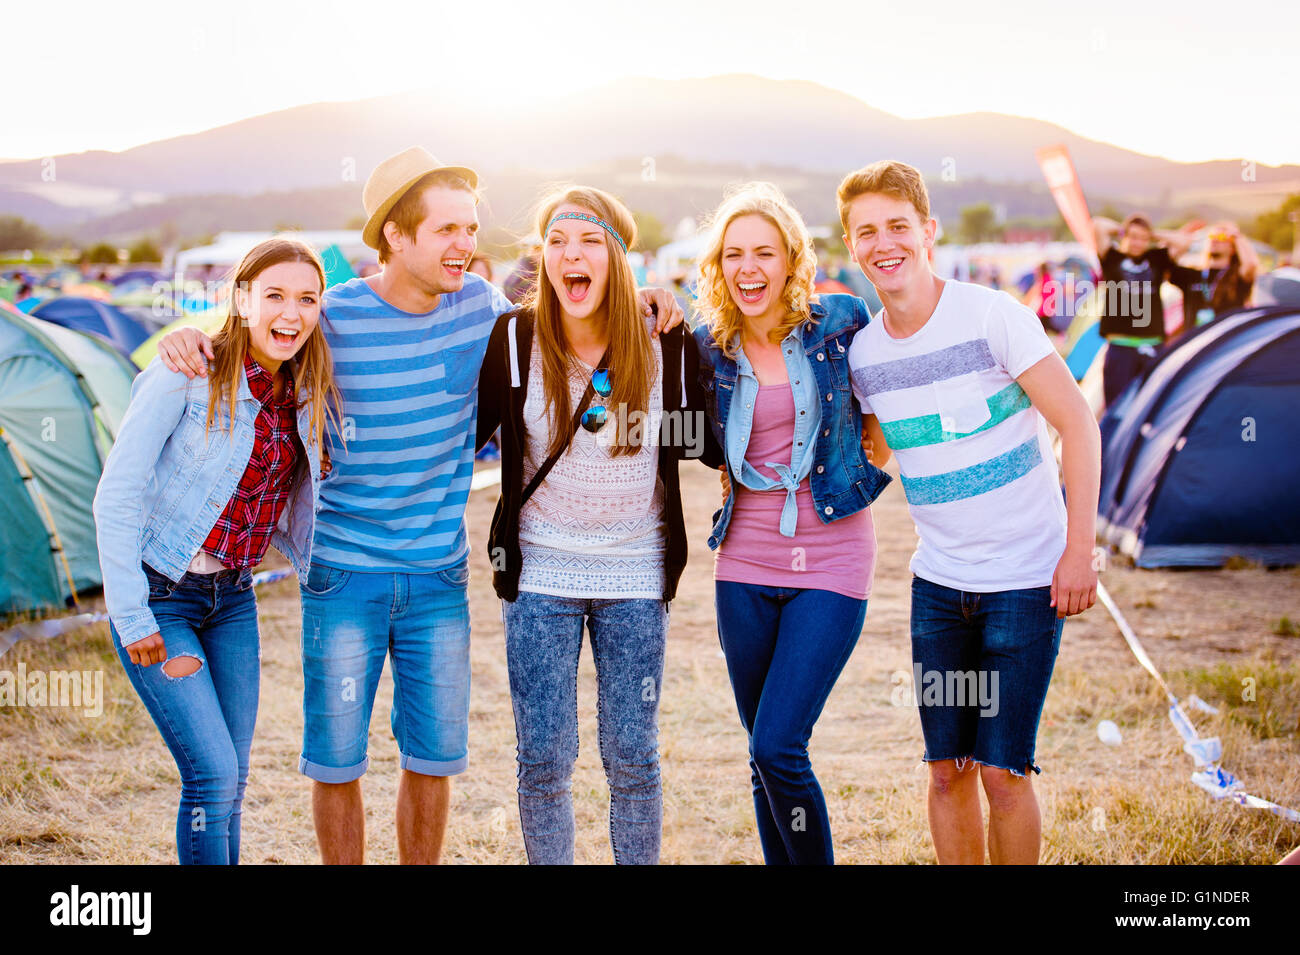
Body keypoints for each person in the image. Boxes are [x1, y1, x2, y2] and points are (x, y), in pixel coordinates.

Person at [156, 146, 683, 865]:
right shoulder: (330, 317)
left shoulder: (485, 312)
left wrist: (653, 297)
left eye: (470, 228)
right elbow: (254, 344)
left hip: (439, 577)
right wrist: (192, 338)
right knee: (337, 761)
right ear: (395, 237)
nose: (466, 245)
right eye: (447, 231)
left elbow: (566, 321)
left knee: (433, 758)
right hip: (343, 574)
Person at [840, 160, 1100, 865]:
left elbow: (1078, 423)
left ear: (928, 230)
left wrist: (1081, 550)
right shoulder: (863, 355)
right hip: (939, 587)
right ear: (852, 246)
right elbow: (879, 453)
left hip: (1025, 579)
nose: (883, 242)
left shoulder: (992, 316)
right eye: (867, 231)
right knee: (947, 768)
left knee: (1003, 772)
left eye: (898, 225)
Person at [476, 186, 716, 864]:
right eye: (555, 242)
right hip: (539, 574)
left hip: (636, 576)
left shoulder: (664, 345)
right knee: (546, 760)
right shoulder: (516, 341)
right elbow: (462, 435)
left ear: (616, 257)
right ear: (542, 258)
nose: (569, 255)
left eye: (587, 241)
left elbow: (712, 443)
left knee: (632, 756)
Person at [93, 237, 337, 864]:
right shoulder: (187, 373)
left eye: (307, 299)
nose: (292, 312)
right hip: (160, 596)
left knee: (233, 778)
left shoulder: (304, 391)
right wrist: (130, 613)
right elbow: (115, 496)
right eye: (275, 295)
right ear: (240, 298)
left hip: (233, 599)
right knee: (211, 775)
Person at [694, 182, 892, 865]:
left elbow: (878, 418)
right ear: (718, 266)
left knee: (779, 743)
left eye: (764, 253)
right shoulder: (706, 347)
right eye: (733, 254)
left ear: (790, 260)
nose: (748, 268)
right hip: (743, 563)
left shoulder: (840, 321)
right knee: (761, 755)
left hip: (833, 557)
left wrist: (854, 463)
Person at [1093, 214, 1194, 406]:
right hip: (1120, 345)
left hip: (1152, 343)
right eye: (1132, 237)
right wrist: (1125, 228)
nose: (1137, 242)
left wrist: (1152, 234)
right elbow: (1098, 225)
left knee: (1150, 404)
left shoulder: (1156, 259)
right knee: (1117, 406)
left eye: (1142, 239)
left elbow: (1183, 241)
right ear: (1124, 237)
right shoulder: (1112, 258)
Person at [1172, 222, 1258, 331]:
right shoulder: (1192, 274)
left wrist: (1237, 237)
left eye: (1222, 238)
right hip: (1195, 341)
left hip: (1225, 340)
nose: (1215, 240)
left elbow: (1251, 264)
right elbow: (1164, 261)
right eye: (1212, 236)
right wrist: (1183, 234)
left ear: (1233, 249)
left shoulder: (1237, 276)